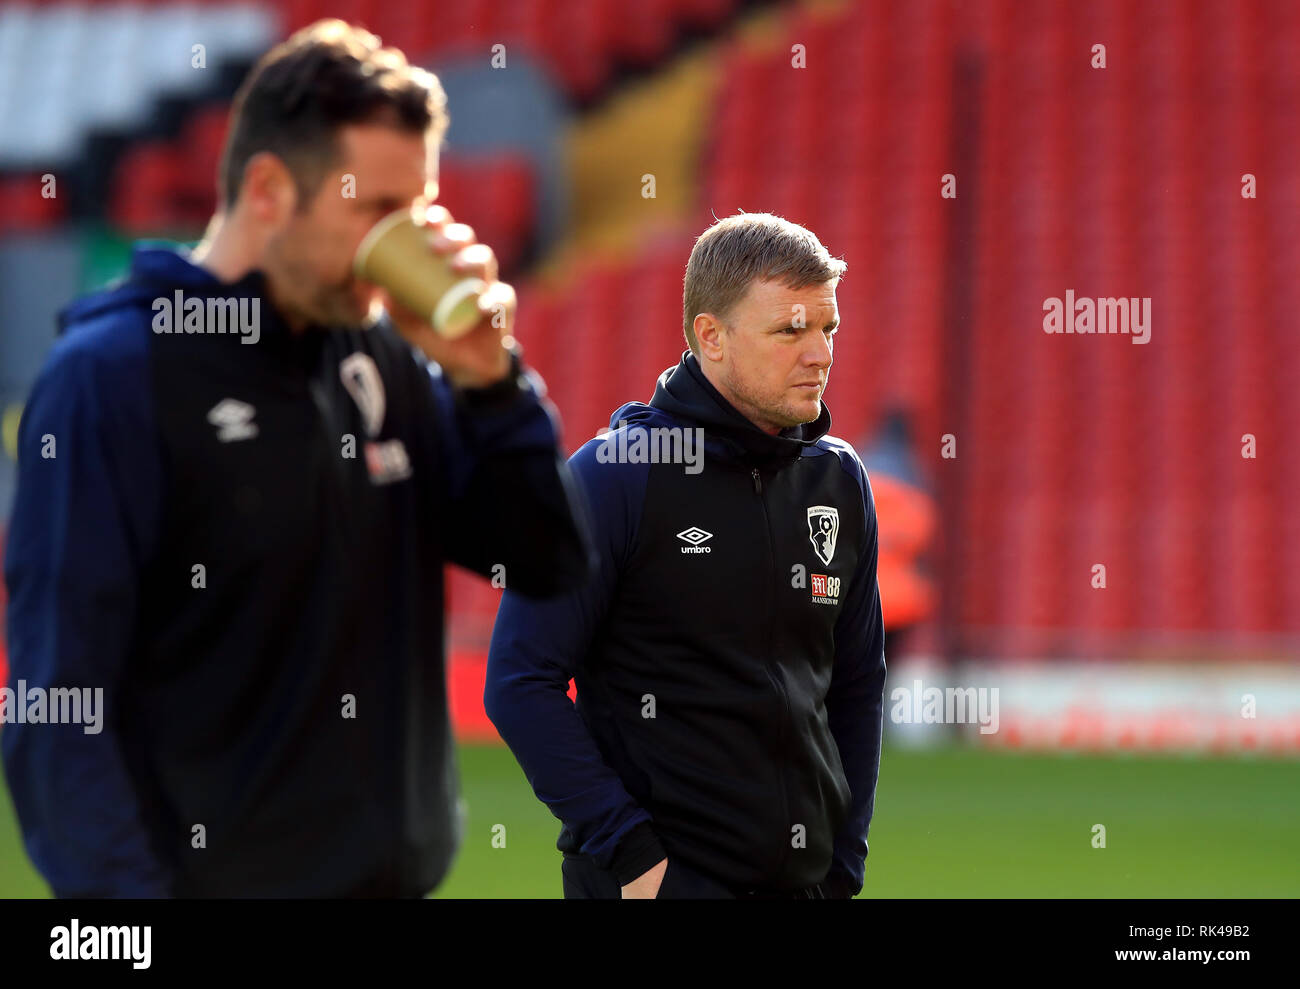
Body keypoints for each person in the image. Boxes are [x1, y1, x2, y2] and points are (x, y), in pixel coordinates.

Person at [1, 20, 590, 898]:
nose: (401, 242)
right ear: (270, 188)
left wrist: (490, 382)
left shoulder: (380, 355)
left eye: (416, 210)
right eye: (374, 210)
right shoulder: (114, 374)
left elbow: (545, 561)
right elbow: (58, 705)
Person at [485, 212, 887, 899]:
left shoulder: (838, 480)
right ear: (712, 336)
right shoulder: (615, 476)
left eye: (828, 328)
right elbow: (520, 680)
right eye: (791, 329)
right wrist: (636, 860)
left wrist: (843, 867)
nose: (819, 352)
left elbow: (855, 684)